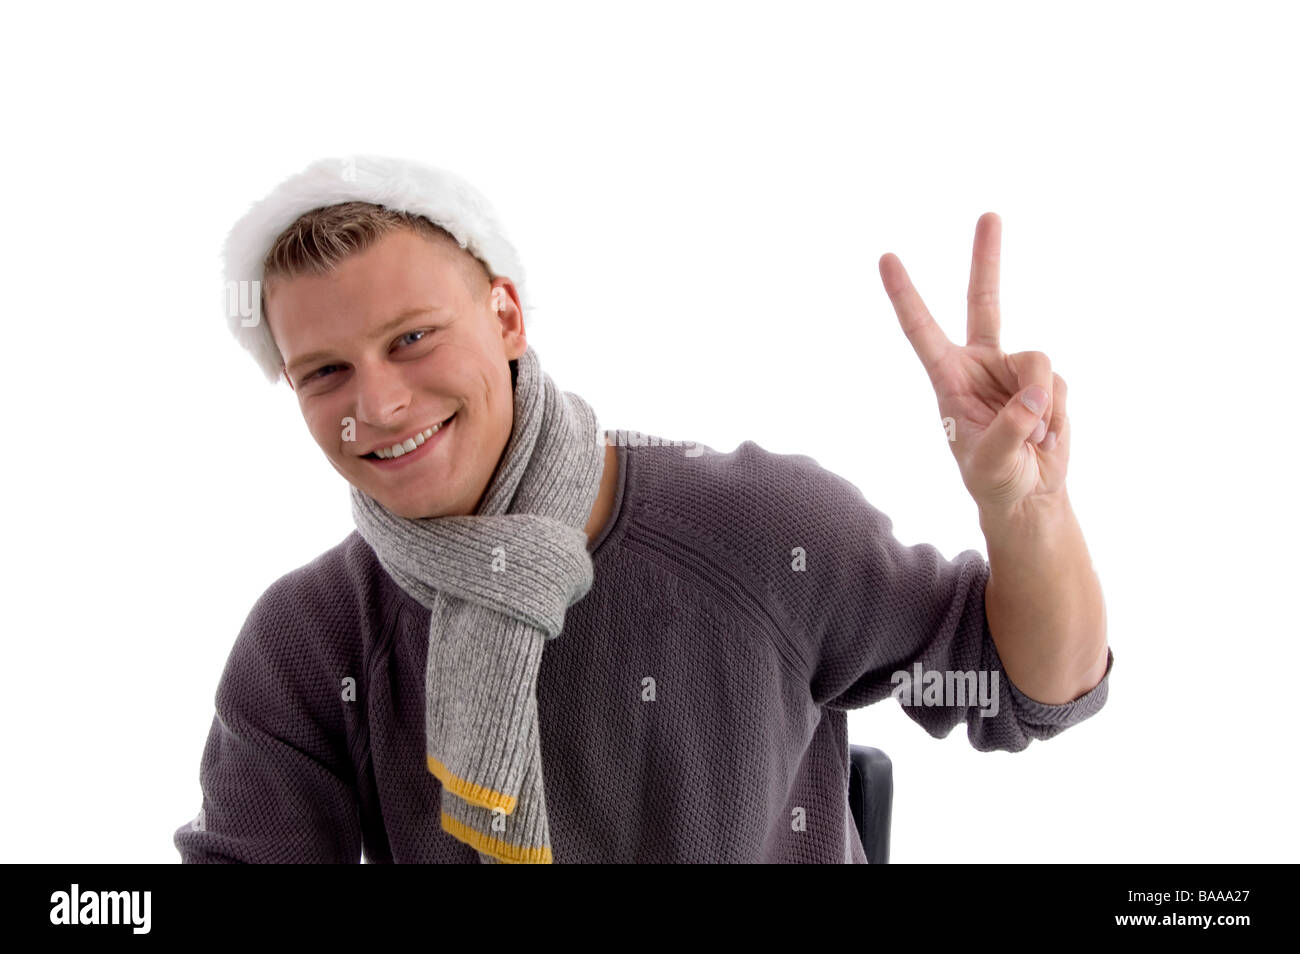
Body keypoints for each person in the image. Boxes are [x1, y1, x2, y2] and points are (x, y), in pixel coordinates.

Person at [174, 155, 1113, 863]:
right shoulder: (308, 642)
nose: (377, 405)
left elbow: (1030, 688)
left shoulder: (756, 530)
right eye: (325, 372)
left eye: (412, 338)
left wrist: (1027, 510)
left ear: (505, 317)